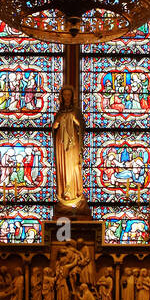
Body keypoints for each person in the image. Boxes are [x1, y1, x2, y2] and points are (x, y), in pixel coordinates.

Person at [52, 85, 89, 214]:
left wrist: (75, 119)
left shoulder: (77, 111)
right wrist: (57, 122)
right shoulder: (59, 112)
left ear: (72, 96)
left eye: (68, 95)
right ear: (61, 97)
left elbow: (82, 126)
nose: (66, 97)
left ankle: (74, 194)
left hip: (73, 144)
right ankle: (64, 194)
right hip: (61, 145)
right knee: (63, 168)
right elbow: (54, 128)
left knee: (73, 167)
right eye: (64, 95)